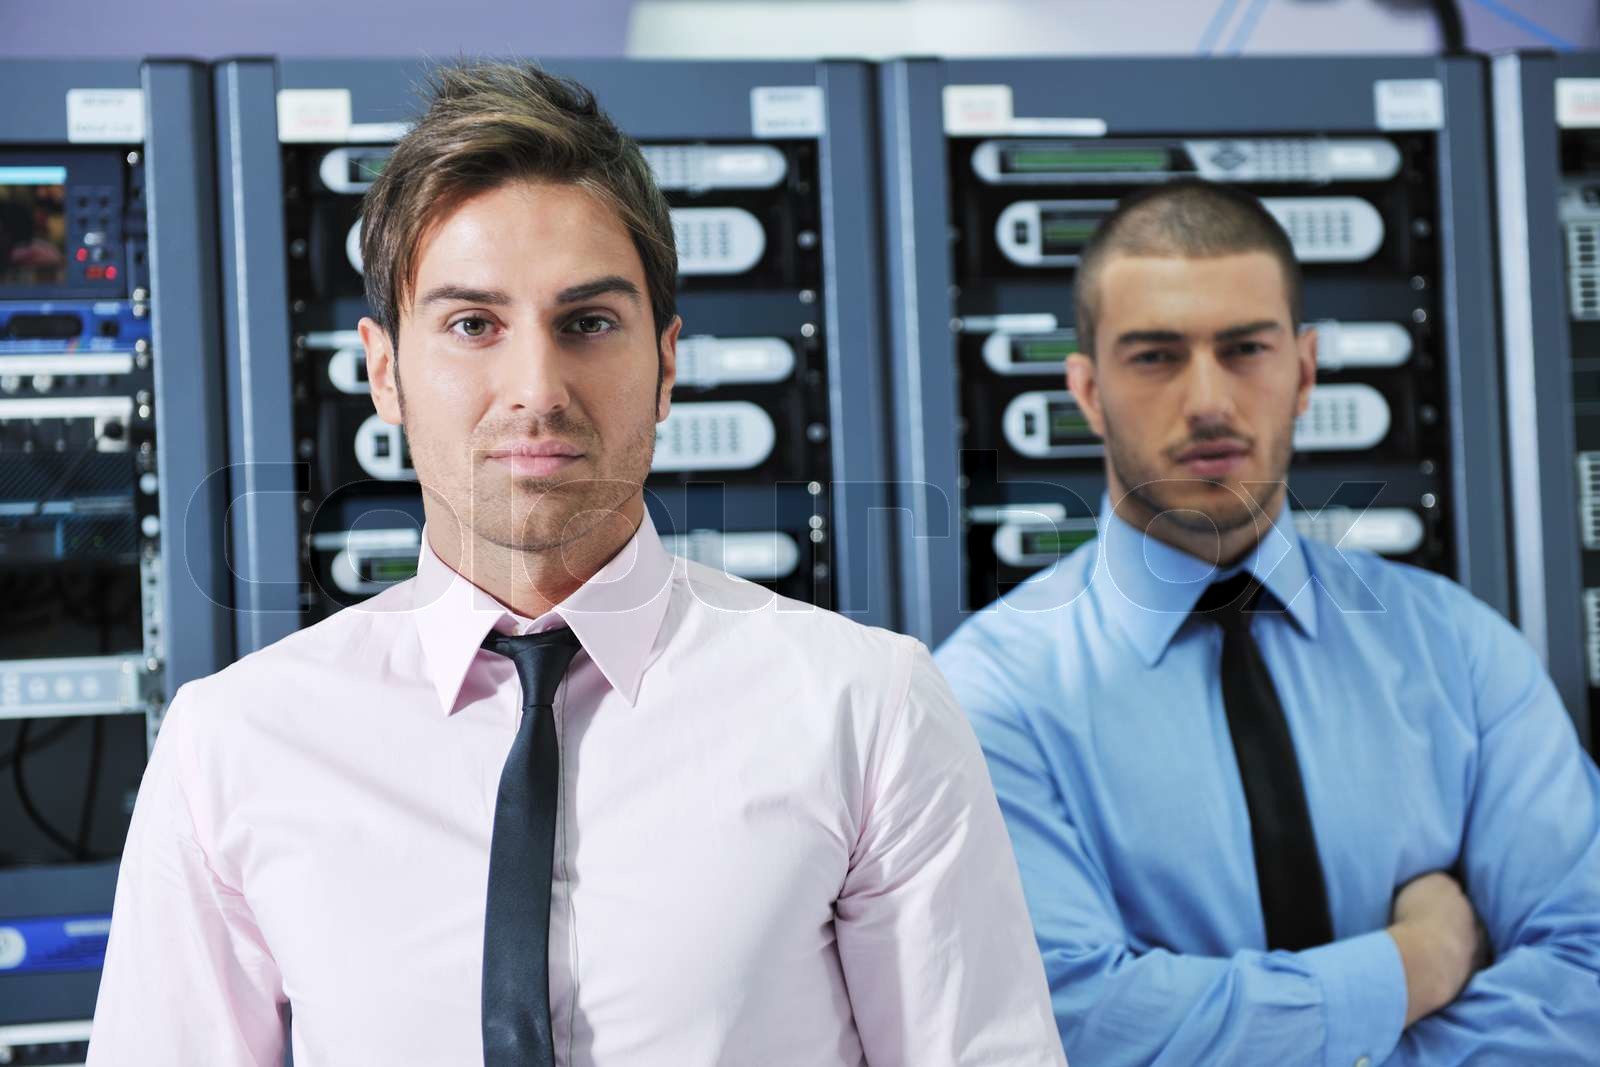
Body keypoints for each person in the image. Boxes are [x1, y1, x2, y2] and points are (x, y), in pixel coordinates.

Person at [87, 62, 1062, 1066]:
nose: (537, 388)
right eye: (472, 324)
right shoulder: (233, 749)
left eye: (587, 323)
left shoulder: (867, 712)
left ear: (667, 364)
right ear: (384, 370)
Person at [936, 179, 1600, 1066]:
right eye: (1155, 356)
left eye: (1245, 348)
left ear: (1306, 370)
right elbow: (1075, 1020)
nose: (1208, 399)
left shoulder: (1462, 652)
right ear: (1088, 392)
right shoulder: (987, 697)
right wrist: (1416, 961)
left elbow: (1586, 966)